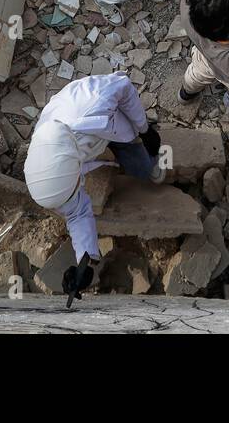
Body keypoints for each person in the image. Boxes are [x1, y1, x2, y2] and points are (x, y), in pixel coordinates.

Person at [24, 73, 163, 299]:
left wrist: (144, 128)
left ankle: (147, 148)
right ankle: (124, 150)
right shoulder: (51, 169)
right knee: (138, 167)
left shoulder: (92, 101)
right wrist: (84, 262)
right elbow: (77, 213)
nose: (76, 194)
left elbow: (124, 84)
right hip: (94, 140)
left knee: (143, 169)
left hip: (111, 121)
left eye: (73, 190)